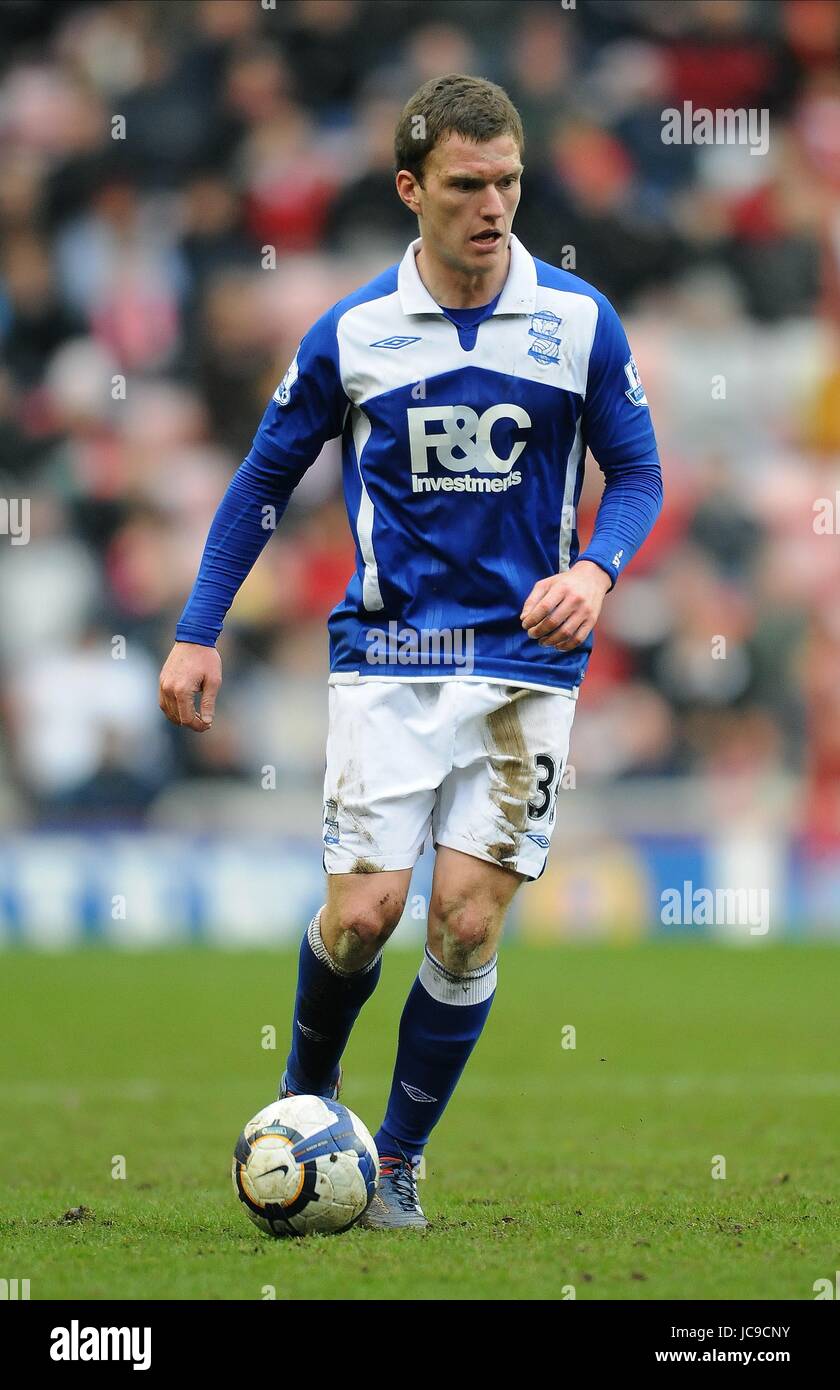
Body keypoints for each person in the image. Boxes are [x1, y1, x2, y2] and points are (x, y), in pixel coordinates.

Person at [159, 74, 663, 1229]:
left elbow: (636, 472)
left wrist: (595, 571)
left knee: (468, 920)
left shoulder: (579, 321)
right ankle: (304, 1100)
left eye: (509, 183)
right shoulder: (353, 331)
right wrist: (197, 630)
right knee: (364, 918)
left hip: (525, 668)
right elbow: (263, 481)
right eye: (467, 185)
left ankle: (397, 1162)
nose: (494, 206)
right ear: (411, 189)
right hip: (388, 657)